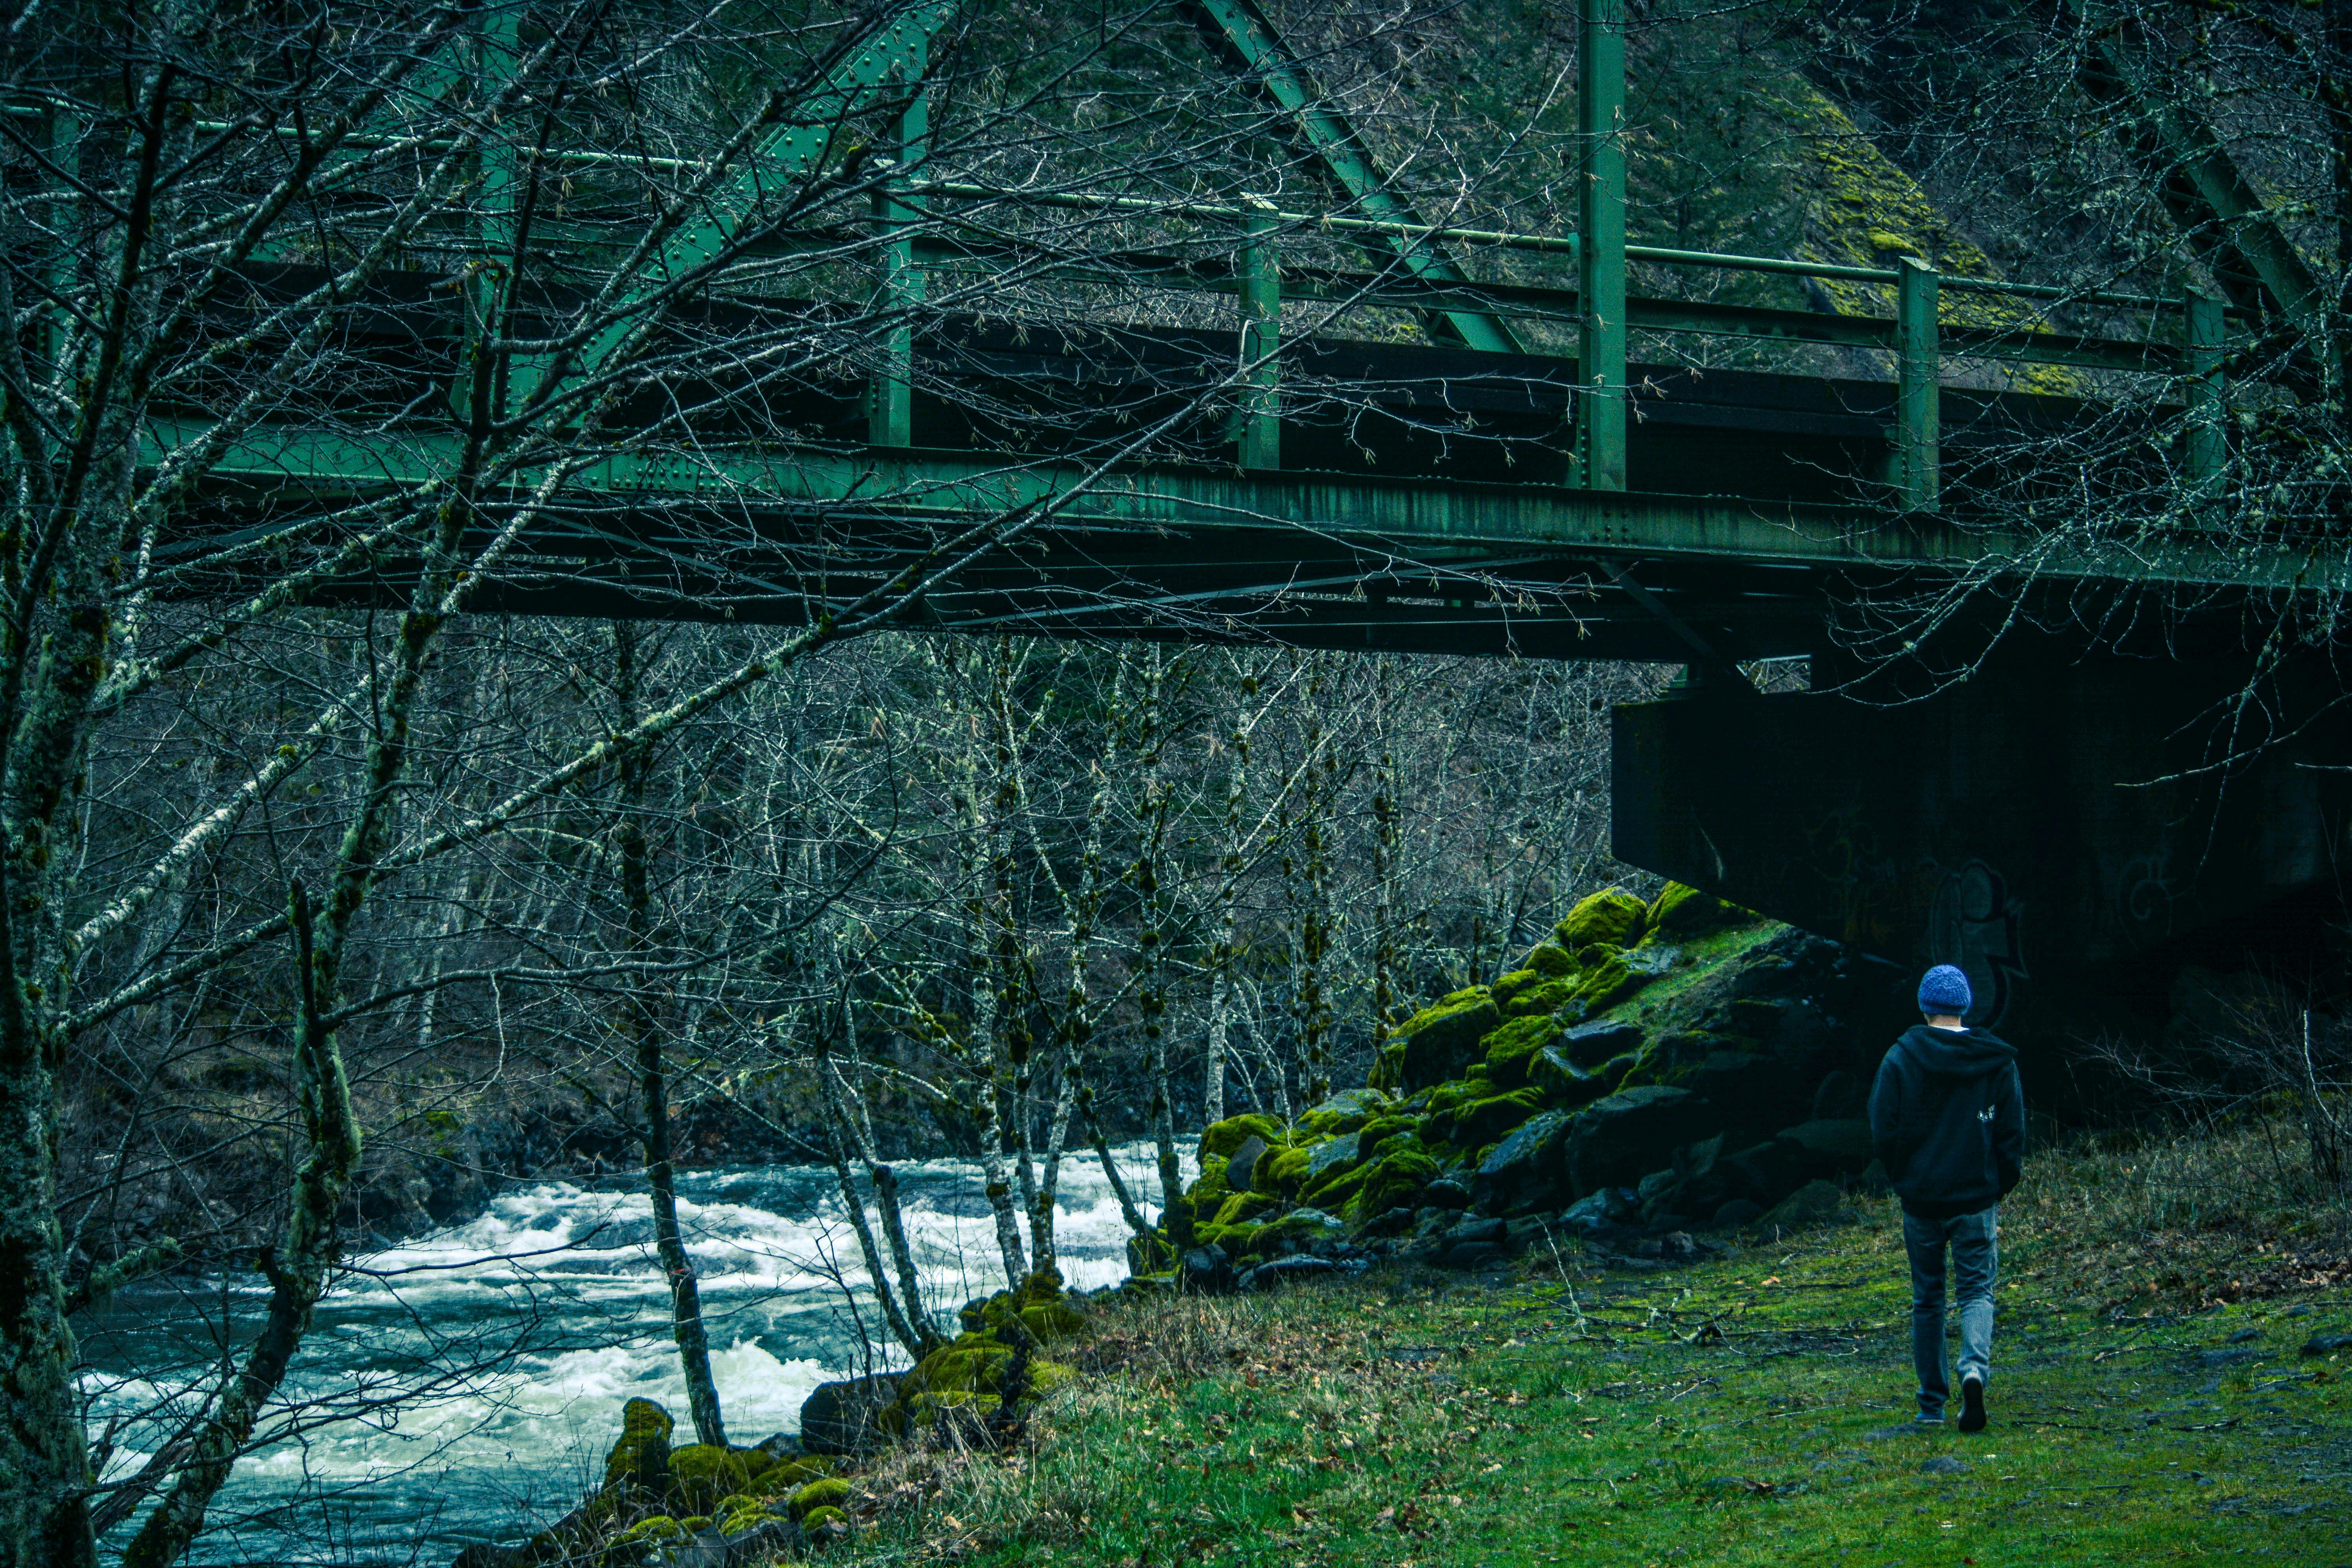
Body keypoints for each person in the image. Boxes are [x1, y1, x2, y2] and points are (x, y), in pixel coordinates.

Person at [1868, 963, 2025, 1433]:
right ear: (1965, 1006)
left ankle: (1931, 1405)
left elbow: (1883, 1129)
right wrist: (1999, 1183)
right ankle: (1973, 1371)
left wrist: (1905, 1178)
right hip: (1976, 1196)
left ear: (1924, 1007)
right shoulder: (1995, 1059)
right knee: (1977, 1289)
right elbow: (2012, 1132)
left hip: (1922, 1200)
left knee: (1928, 1297)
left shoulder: (1900, 1058)